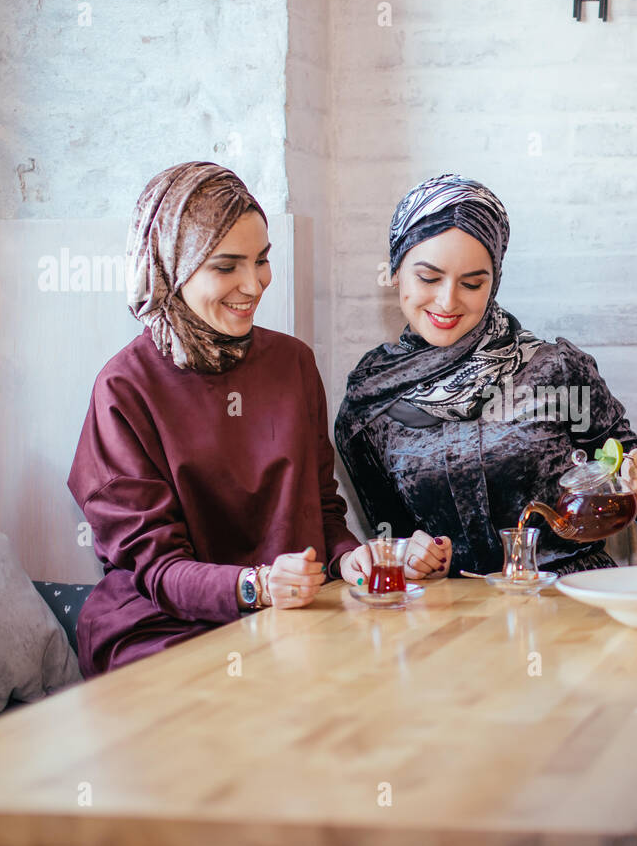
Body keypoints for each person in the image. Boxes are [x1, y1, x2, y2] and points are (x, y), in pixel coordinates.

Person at [67, 162, 449, 677]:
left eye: (262, 260)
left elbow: (321, 509)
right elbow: (154, 569)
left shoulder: (290, 363)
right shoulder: (125, 388)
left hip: (287, 620)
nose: (253, 285)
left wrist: (348, 559)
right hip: (163, 632)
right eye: (226, 267)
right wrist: (256, 585)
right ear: (171, 268)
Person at [334, 173, 637, 579]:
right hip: (454, 620)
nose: (447, 300)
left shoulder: (555, 369)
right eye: (428, 278)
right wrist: (411, 554)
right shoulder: (370, 404)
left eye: (472, 283)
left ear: (494, 282)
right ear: (395, 270)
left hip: (571, 604)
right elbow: (390, 539)